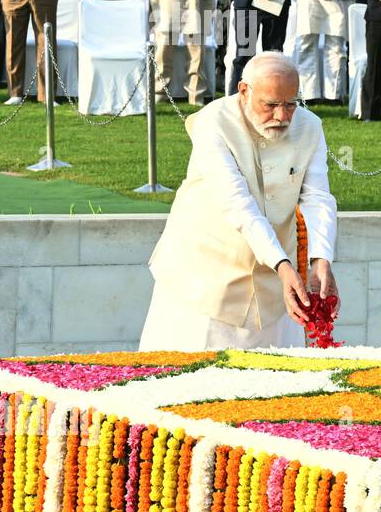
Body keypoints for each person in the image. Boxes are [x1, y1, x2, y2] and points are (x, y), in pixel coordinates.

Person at [139, 52, 338, 352]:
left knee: (279, 391)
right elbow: (237, 203)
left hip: (277, 289)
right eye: (270, 105)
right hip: (203, 281)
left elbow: (318, 198)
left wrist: (321, 259)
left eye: (290, 104)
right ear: (244, 91)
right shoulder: (212, 122)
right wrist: (284, 266)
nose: (282, 116)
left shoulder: (310, 127)